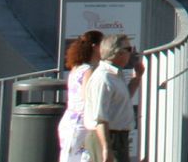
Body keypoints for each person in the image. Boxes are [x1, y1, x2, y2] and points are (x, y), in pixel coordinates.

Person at [85, 34, 136, 162]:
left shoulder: (115, 75)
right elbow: (100, 118)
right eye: (129, 49)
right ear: (118, 53)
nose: (132, 53)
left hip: (117, 137)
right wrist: (106, 148)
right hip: (107, 137)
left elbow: (121, 101)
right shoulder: (103, 78)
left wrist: (137, 78)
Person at [58, 29, 104, 162]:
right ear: (95, 46)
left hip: (71, 121)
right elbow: (87, 98)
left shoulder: (76, 68)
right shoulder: (88, 70)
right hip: (80, 124)